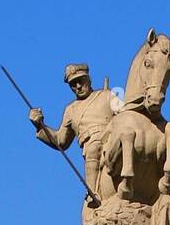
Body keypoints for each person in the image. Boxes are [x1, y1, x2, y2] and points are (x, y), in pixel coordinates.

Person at [29, 64, 114, 193]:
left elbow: (127, 114)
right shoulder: (71, 110)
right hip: (91, 147)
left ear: (88, 79)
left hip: (112, 138)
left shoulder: (107, 95)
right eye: (73, 84)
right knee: (92, 149)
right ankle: (93, 192)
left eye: (80, 81)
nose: (78, 86)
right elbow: (61, 141)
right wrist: (40, 125)